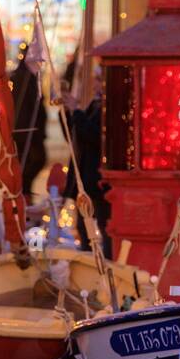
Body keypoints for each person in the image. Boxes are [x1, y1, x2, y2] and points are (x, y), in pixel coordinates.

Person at [61, 69, 110, 257]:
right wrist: (68, 113)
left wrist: (76, 111)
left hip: (96, 179)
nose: (95, 84)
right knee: (84, 227)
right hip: (86, 178)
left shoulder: (107, 107)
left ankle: (101, 262)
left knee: (100, 228)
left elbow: (93, 135)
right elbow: (74, 137)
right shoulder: (95, 105)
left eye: (99, 79)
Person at [9, 43, 47, 201]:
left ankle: (24, 193)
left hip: (26, 129)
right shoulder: (24, 78)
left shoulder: (25, 76)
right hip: (27, 130)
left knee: (29, 162)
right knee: (33, 161)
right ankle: (24, 194)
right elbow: (34, 105)